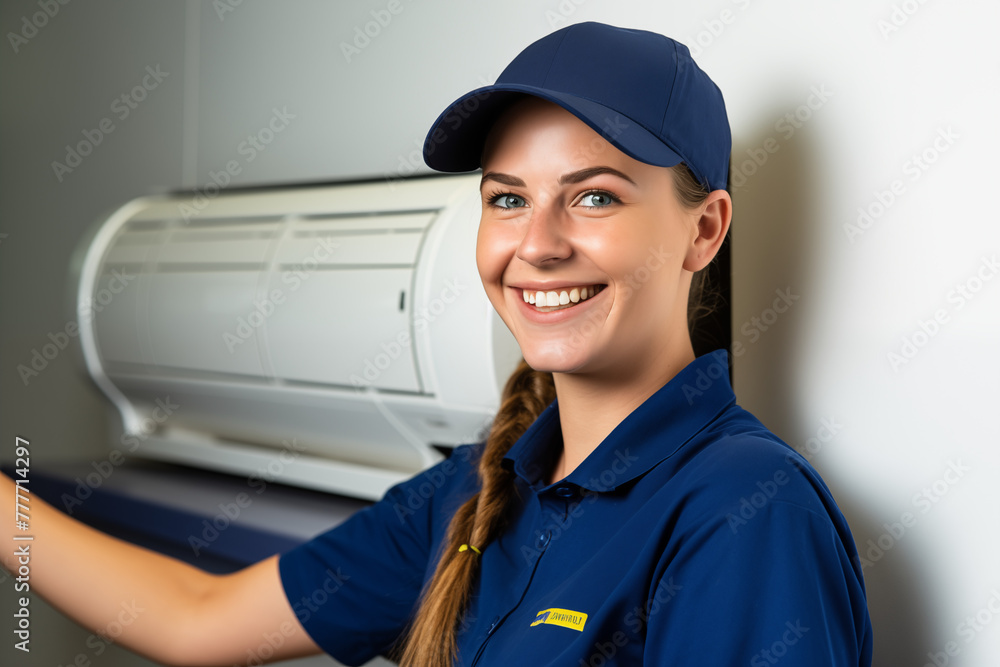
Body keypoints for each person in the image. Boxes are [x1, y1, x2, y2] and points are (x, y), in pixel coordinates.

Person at [1, 21, 872, 667]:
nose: (538, 243)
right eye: (507, 198)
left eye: (595, 197)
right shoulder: (474, 489)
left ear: (705, 231)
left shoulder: (744, 511)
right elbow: (193, 616)